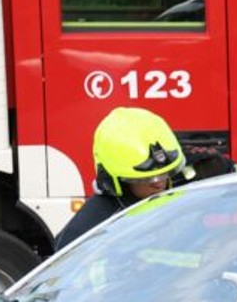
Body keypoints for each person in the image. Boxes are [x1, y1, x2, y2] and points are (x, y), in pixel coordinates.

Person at [54, 107, 187, 251]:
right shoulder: (88, 231)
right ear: (117, 180)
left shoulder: (190, 199)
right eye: (147, 178)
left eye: (166, 173)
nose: (159, 184)